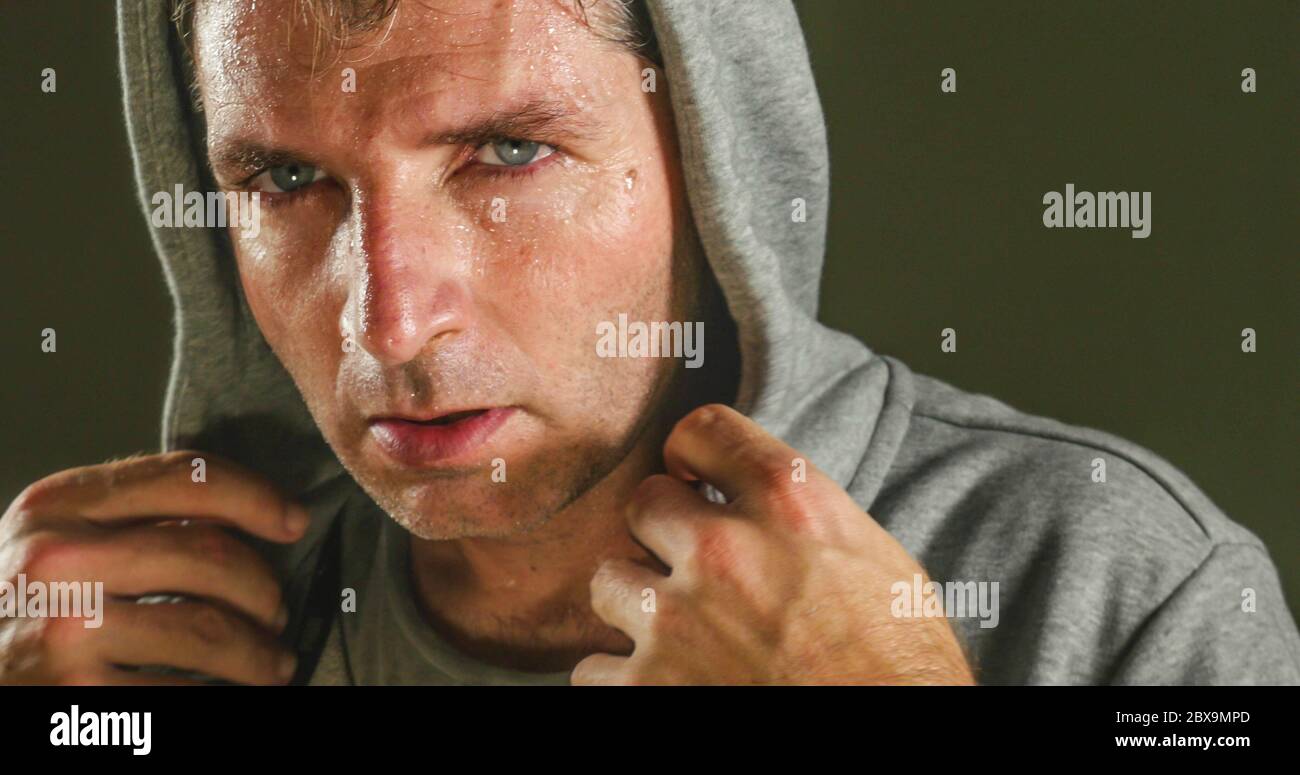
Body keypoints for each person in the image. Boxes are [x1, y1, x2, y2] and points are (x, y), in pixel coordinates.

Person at [0, 0, 1295, 685]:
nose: (390, 322)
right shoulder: (156, 656)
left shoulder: (1121, 591)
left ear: (713, 145)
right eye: (287, 183)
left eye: (506, 153)